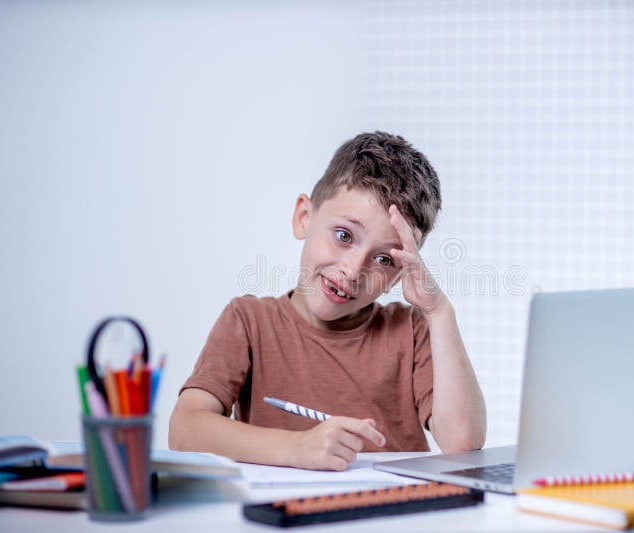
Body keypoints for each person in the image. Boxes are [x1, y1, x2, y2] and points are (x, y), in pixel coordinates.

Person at [169, 131, 486, 470]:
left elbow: (462, 442)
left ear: (398, 275)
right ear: (304, 217)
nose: (353, 270)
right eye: (344, 235)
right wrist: (295, 447)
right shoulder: (248, 321)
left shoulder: (411, 330)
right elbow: (184, 429)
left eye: (384, 260)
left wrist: (439, 312)